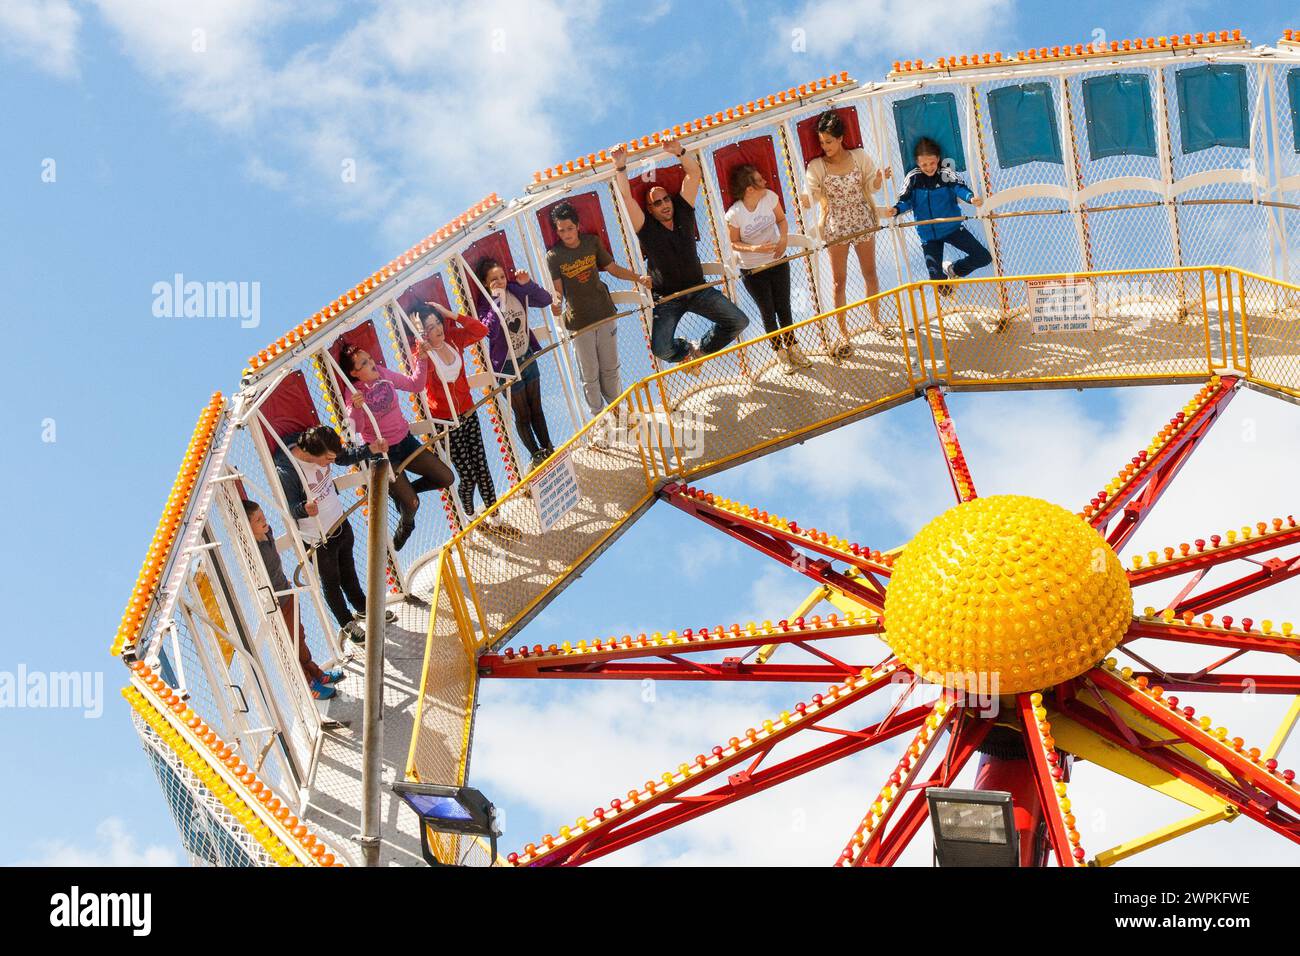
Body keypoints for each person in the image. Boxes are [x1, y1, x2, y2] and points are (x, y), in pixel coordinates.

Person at [612, 138, 748, 372]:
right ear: (650, 209)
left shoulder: (683, 210)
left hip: (698, 290)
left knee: (739, 321)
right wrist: (621, 166)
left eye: (666, 199)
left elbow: (693, 174)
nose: (664, 204)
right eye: (657, 202)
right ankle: (685, 351)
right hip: (667, 299)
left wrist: (679, 151)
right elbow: (626, 199)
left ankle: (699, 352)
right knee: (662, 349)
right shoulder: (646, 228)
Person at [273, 425, 395, 645]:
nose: (331, 463)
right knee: (331, 581)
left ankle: (362, 607)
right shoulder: (287, 470)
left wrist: (371, 449)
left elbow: (342, 457)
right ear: (312, 453)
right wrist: (304, 508)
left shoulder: (317, 445)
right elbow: (290, 507)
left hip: (339, 521)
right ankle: (346, 622)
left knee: (349, 571)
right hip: (317, 538)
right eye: (327, 459)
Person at [409, 298, 520, 538]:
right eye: (430, 329)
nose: (437, 330)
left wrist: (450, 314)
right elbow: (419, 384)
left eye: (438, 324)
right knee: (467, 474)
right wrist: (423, 356)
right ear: (422, 333)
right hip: (446, 422)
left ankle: (497, 518)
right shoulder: (421, 354)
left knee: (482, 467)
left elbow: (481, 330)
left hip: (468, 411)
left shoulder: (453, 339)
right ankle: (470, 517)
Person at [338, 340, 453, 552]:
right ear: (354, 373)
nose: (371, 362)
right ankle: (406, 524)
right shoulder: (353, 392)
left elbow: (415, 385)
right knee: (412, 504)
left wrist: (422, 359)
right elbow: (355, 429)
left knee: (446, 478)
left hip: (405, 441)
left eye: (369, 358)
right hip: (384, 454)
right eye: (364, 362)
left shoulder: (383, 373)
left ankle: (404, 493)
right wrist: (356, 407)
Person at [545, 201, 650, 422]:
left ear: (578, 226)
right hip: (580, 322)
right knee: (589, 374)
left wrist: (638, 278)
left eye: (570, 228)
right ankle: (600, 420)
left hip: (603, 313)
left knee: (610, 368)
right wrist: (555, 304)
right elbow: (558, 290)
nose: (566, 234)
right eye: (561, 230)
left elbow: (612, 269)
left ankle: (620, 414)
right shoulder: (554, 256)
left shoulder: (591, 242)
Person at [803, 110, 893, 353]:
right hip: (836, 224)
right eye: (821, 142)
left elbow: (871, 187)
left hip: (862, 218)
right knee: (838, 281)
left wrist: (880, 179)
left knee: (870, 272)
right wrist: (804, 199)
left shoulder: (859, 156)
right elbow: (810, 194)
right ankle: (844, 334)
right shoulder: (817, 165)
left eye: (829, 141)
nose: (825, 147)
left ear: (841, 138)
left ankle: (876, 320)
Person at [244, 499, 344, 700]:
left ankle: (316, 673)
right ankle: (309, 685)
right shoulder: (253, 549)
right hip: (276, 601)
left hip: (286, 592)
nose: (264, 521)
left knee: (300, 635)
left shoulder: (268, 533)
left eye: (263, 516)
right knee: (291, 641)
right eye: (257, 520)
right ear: (248, 527)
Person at [725, 163, 811, 374]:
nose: (765, 181)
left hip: (777, 260)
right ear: (749, 189)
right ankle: (780, 354)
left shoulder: (770, 197)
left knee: (784, 306)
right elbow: (733, 242)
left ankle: (794, 348)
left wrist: (782, 239)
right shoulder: (735, 213)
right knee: (768, 311)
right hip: (753, 269)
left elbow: (781, 220)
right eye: (759, 180)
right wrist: (755, 248)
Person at [882, 136, 991, 298]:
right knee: (940, 285)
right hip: (928, 235)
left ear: (938, 159)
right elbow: (906, 201)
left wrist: (970, 198)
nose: (928, 167)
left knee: (983, 257)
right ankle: (942, 279)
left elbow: (959, 188)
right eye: (924, 164)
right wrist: (896, 210)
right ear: (918, 163)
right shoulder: (913, 178)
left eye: (932, 163)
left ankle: (953, 269)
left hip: (952, 228)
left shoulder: (945, 173)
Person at [475, 258, 555, 472]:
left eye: (502, 277)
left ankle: (549, 448)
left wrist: (527, 284)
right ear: (485, 283)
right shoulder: (484, 305)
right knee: (523, 414)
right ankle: (536, 454)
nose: (500, 282)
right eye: (494, 280)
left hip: (526, 355)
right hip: (507, 366)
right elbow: (488, 331)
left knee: (536, 407)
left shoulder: (515, 291)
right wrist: (497, 299)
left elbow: (546, 299)